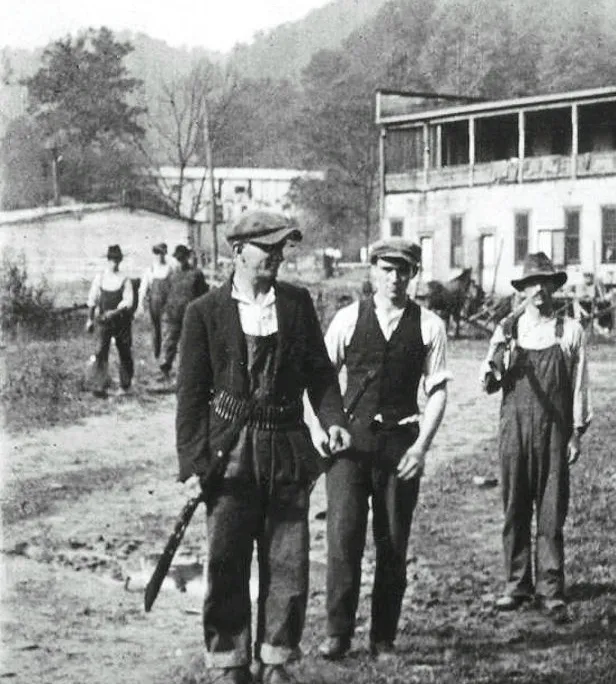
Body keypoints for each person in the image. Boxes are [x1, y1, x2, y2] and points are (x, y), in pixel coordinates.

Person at [175, 210, 352, 684]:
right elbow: (191, 397)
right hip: (229, 453)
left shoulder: (296, 305)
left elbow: (320, 374)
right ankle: (228, 661)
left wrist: (332, 420)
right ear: (238, 251)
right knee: (227, 559)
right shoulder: (205, 313)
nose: (276, 256)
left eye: (281, 248)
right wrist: (193, 465)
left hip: (288, 450)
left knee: (288, 560)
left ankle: (276, 659)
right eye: (266, 247)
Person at [319, 237, 450, 661]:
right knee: (343, 538)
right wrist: (328, 427)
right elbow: (321, 381)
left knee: (392, 542)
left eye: (403, 271)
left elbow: (438, 391)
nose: (395, 279)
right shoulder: (347, 319)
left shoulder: (429, 325)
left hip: (400, 445)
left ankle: (383, 639)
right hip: (350, 447)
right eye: (387, 269)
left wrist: (422, 448)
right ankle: (338, 633)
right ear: (373, 271)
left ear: (414, 276)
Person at [481, 252, 591, 622]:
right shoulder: (508, 330)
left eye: (546, 282)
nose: (539, 290)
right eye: (532, 283)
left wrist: (576, 433)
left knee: (550, 511)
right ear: (523, 290)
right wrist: (498, 366)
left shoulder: (570, 331)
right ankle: (516, 586)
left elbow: (579, 387)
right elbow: (489, 381)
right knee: (514, 508)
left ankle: (550, 587)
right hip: (515, 431)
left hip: (554, 433)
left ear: (554, 287)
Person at [85, 244, 135, 396]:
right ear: (108, 260)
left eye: (117, 260)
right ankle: (99, 386)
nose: (115, 262)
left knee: (124, 350)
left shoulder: (124, 279)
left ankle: (125, 385)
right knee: (100, 351)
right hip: (103, 321)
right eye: (112, 259)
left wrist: (114, 312)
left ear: (120, 260)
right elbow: (92, 300)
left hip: (121, 321)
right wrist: (90, 320)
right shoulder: (100, 278)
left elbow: (128, 301)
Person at [160, 244, 208, 380]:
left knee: (188, 344)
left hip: (190, 315)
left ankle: (186, 373)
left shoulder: (196, 274)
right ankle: (165, 370)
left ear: (187, 257)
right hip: (173, 314)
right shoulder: (172, 275)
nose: (180, 261)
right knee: (169, 342)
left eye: (182, 258)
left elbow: (203, 295)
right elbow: (166, 292)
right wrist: (167, 309)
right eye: (177, 258)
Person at [137, 242, 173, 362]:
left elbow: (174, 286)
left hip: (167, 302)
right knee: (155, 327)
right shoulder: (150, 270)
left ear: (165, 254)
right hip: (154, 302)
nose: (159, 256)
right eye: (157, 253)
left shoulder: (170, 269)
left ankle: (165, 355)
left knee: (166, 328)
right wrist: (140, 304)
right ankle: (156, 353)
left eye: (161, 253)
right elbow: (143, 288)